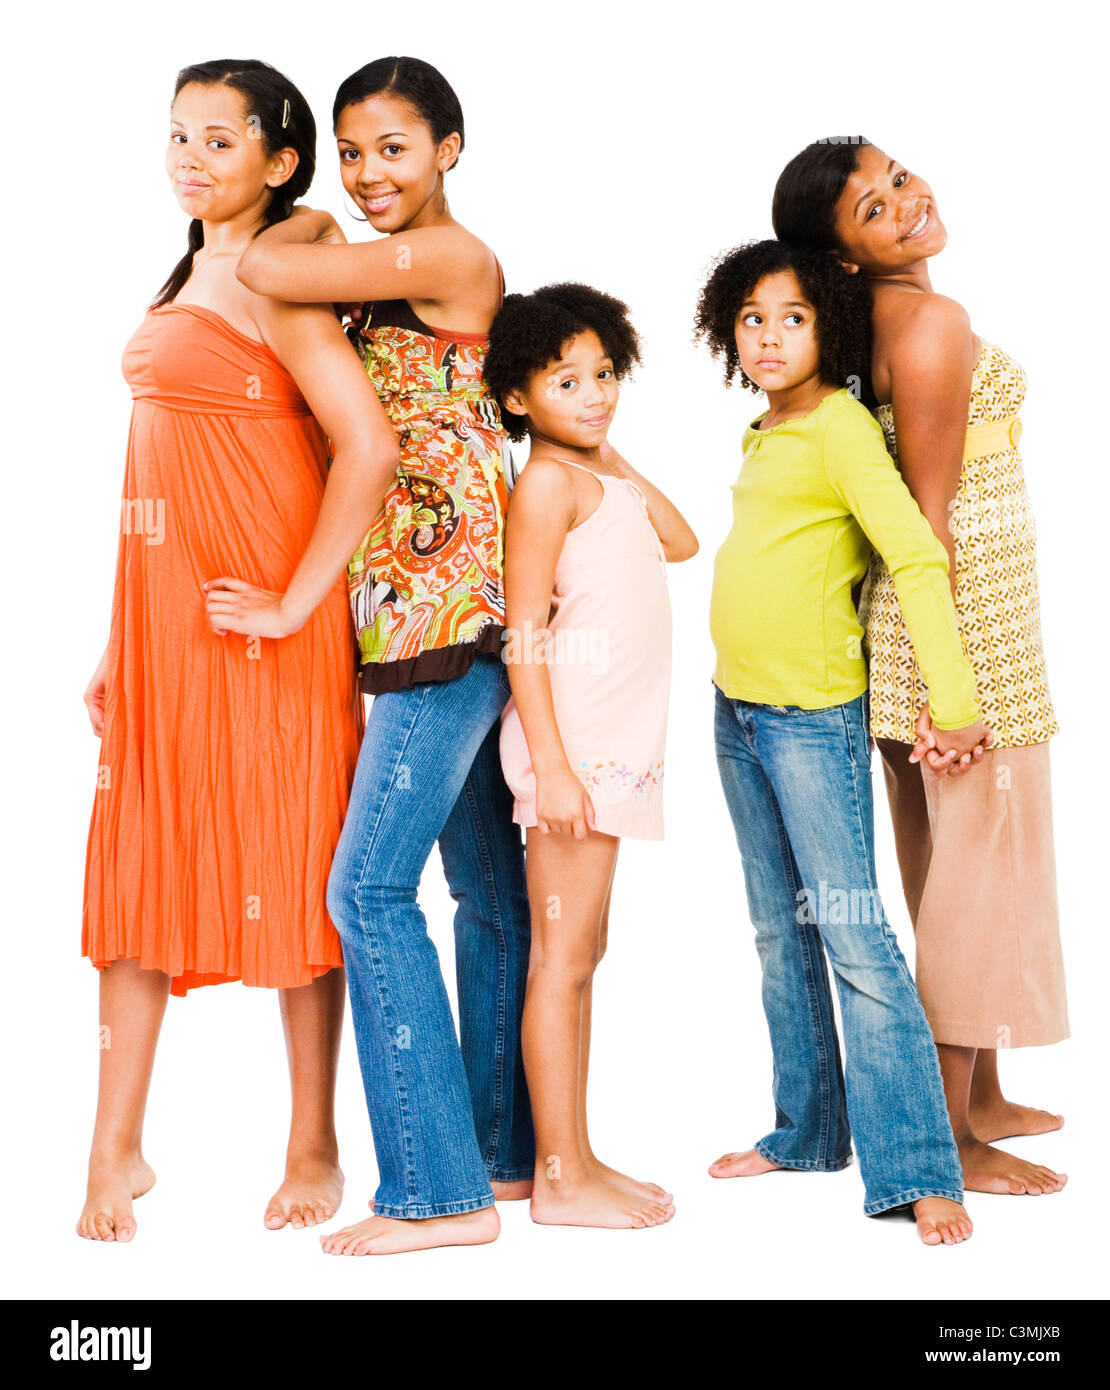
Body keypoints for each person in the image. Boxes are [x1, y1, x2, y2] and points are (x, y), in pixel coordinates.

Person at [79, 59, 399, 1243]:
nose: (190, 157)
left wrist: (290, 601)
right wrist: (121, 641)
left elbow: (363, 447)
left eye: (221, 139)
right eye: (177, 135)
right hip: (166, 626)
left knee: (296, 853)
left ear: (280, 158)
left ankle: (313, 1135)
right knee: (140, 862)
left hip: (266, 618)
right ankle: (116, 1145)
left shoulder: (284, 273)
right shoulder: (203, 269)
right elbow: (152, 475)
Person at [235, 56, 533, 1256]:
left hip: (445, 615)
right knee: (489, 896)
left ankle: (436, 1189)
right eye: (352, 154)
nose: (369, 178)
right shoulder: (378, 270)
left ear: (452, 148)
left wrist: (297, 208)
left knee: (364, 891)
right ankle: (502, 1158)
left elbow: (265, 260)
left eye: (394, 149)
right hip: (412, 616)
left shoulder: (456, 260)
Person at [772, 139, 1069, 1197]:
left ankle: (981, 1094)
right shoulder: (930, 324)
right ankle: (948, 1132)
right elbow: (927, 517)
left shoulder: (881, 327)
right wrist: (961, 688)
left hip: (909, 623)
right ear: (841, 256)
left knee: (945, 865)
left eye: (896, 178)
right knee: (975, 883)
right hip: (965, 623)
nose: (904, 202)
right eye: (870, 207)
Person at [696, 238, 991, 1244]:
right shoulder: (765, 429)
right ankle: (809, 1130)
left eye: (792, 317)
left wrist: (952, 699)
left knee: (856, 938)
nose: (770, 336)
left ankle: (918, 1168)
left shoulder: (839, 429)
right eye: (751, 319)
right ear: (728, 334)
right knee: (781, 931)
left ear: (828, 326)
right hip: (734, 710)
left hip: (810, 722)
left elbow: (913, 549)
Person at [484, 284, 697, 1228]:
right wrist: (555, 767)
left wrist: (602, 441)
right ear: (520, 398)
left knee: (583, 955)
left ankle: (578, 1152)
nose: (595, 393)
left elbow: (683, 541)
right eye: (566, 380)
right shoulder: (544, 486)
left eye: (604, 374)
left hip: (616, 752)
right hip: (574, 757)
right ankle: (560, 1179)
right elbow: (522, 632)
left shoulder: (597, 479)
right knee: (560, 961)